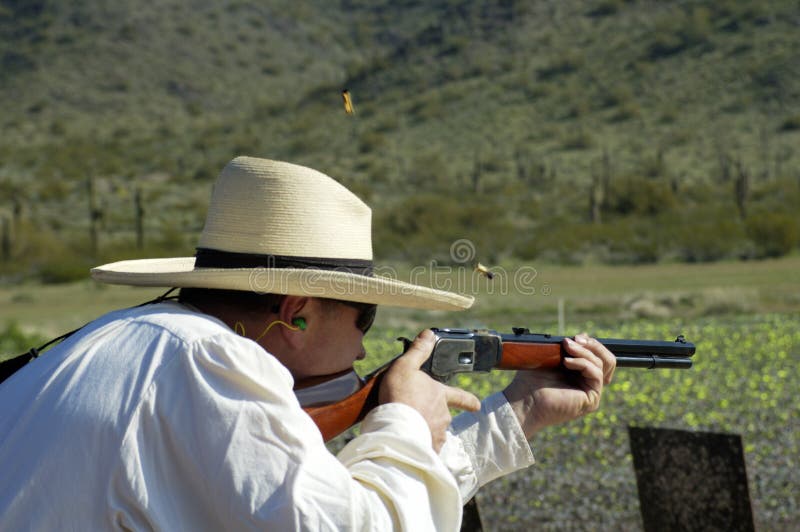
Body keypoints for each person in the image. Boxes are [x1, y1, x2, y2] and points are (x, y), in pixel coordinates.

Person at [0, 156, 615, 530]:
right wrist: (403, 415)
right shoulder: (208, 364)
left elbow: (324, 507)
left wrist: (516, 417)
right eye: (364, 318)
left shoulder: (131, 344)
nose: (360, 353)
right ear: (296, 313)